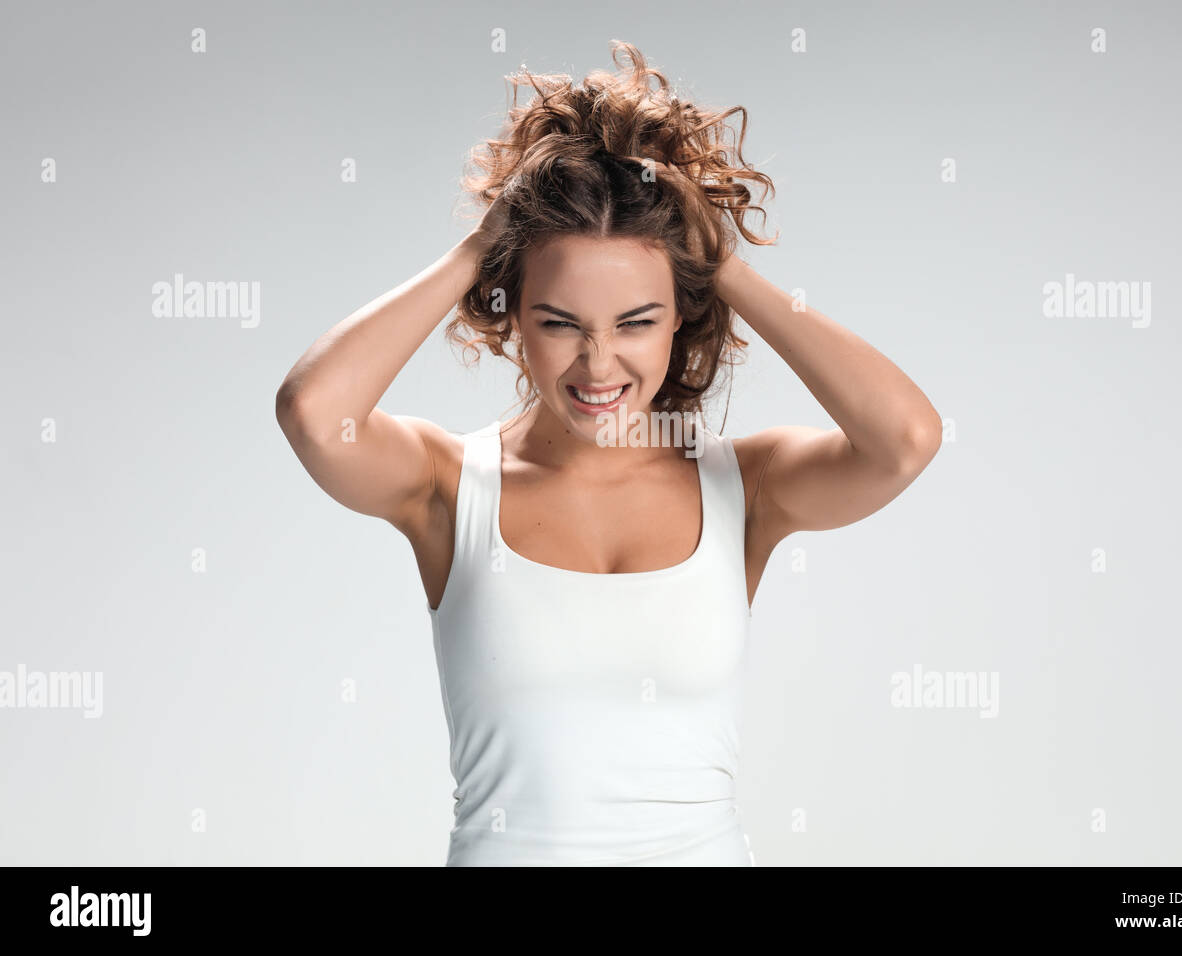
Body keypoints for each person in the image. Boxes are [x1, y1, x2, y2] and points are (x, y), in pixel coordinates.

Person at [275, 41, 942, 866]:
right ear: (511, 313)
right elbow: (312, 410)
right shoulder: (448, 486)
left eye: (635, 322)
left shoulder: (747, 487)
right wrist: (483, 246)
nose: (599, 365)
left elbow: (905, 439)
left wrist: (713, 257)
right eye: (560, 322)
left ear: (682, 318)